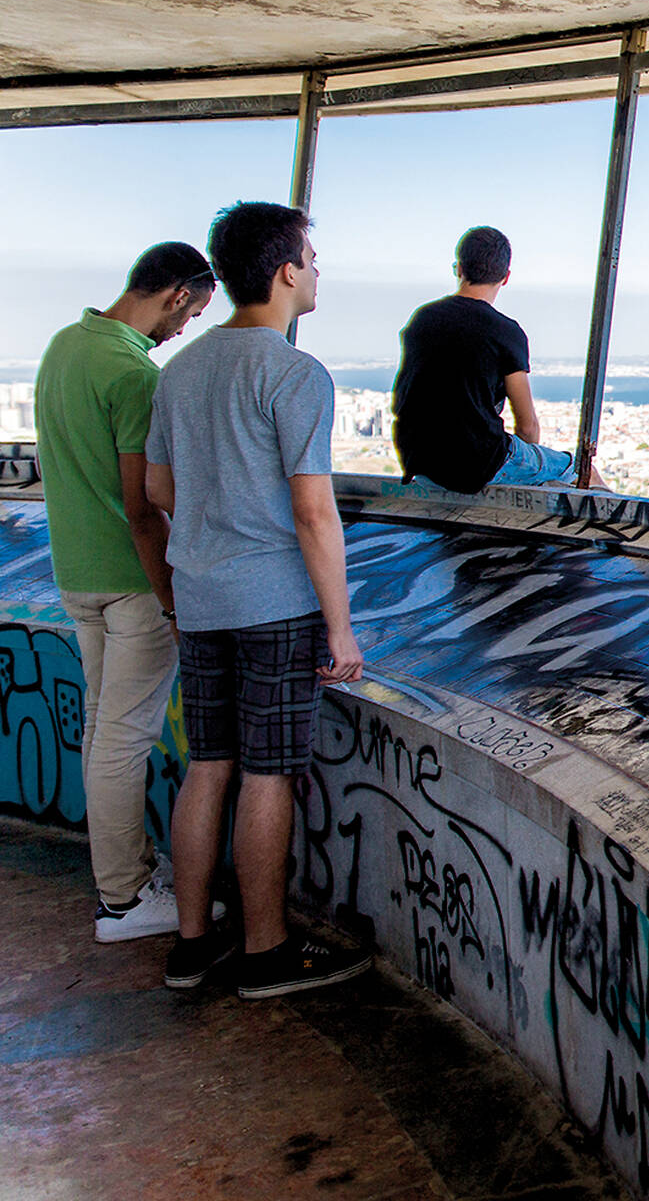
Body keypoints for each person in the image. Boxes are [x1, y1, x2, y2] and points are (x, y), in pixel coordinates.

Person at [146, 201, 370, 996]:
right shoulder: (293, 373)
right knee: (268, 775)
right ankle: (267, 953)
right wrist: (339, 629)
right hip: (273, 605)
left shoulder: (181, 370)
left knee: (207, 767)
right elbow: (314, 512)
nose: (315, 271)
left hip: (200, 597)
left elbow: (158, 485)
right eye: (310, 257)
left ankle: (192, 942)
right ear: (284, 271)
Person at [35, 243, 217, 942]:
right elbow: (145, 505)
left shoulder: (66, 345)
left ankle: (128, 876)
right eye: (193, 314)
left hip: (77, 574)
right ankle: (124, 898)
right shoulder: (132, 375)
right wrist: (171, 598)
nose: (184, 330)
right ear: (175, 295)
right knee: (122, 739)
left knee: (100, 731)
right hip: (130, 582)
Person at [390, 225, 605, 491]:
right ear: (506, 277)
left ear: (459, 268)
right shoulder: (505, 332)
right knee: (581, 471)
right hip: (477, 464)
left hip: (420, 462)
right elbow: (527, 426)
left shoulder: (422, 318)